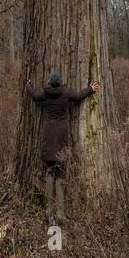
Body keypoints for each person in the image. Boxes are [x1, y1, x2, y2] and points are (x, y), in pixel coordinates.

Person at [25, 69, 99, 223]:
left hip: (48, 135)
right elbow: (79, 97)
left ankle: (48, 210)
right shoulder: (66, 93)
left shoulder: (45, 93)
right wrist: (90, 89)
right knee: (59, 174)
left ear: (50, 82)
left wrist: (29, 85)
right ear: (61, 82)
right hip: (61, 138)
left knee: (50, 172)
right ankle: (60, 213)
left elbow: (33, 95)